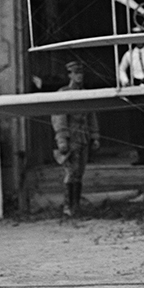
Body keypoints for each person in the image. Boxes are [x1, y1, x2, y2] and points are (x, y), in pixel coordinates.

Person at [54, 59, 100, 217]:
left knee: (80, 172)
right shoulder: (64, 93)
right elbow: (59, 117)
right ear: (69, 75)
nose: (79, 76)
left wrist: (94, 136)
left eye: (81, 73)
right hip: (71, 138)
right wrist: (62, 139)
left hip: (83, 138)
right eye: (75, 73)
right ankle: (67, 207)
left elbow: (91, 116)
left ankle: (76, 206)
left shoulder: (85, 93)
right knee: (71, 172)